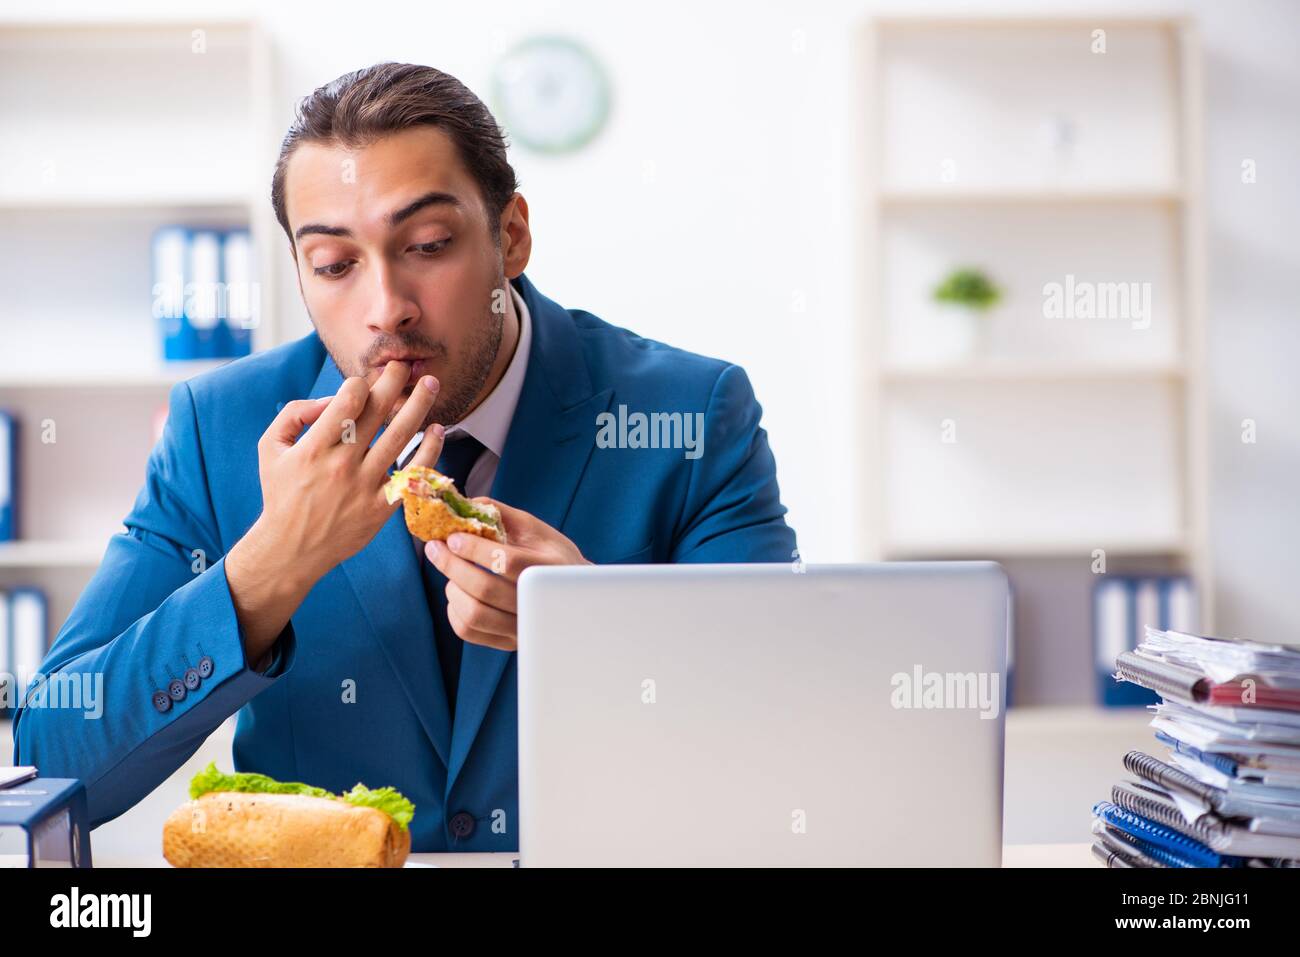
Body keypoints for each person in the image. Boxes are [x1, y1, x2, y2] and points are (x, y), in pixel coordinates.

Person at [13, 62, 797, 852]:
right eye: (334, 265)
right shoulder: (217, 429)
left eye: (427, 244)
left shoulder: (692, 415)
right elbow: (49, 757)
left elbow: (788, 734)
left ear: (511, 236)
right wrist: (271, 567)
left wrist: (600, 632)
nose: (387, 308)